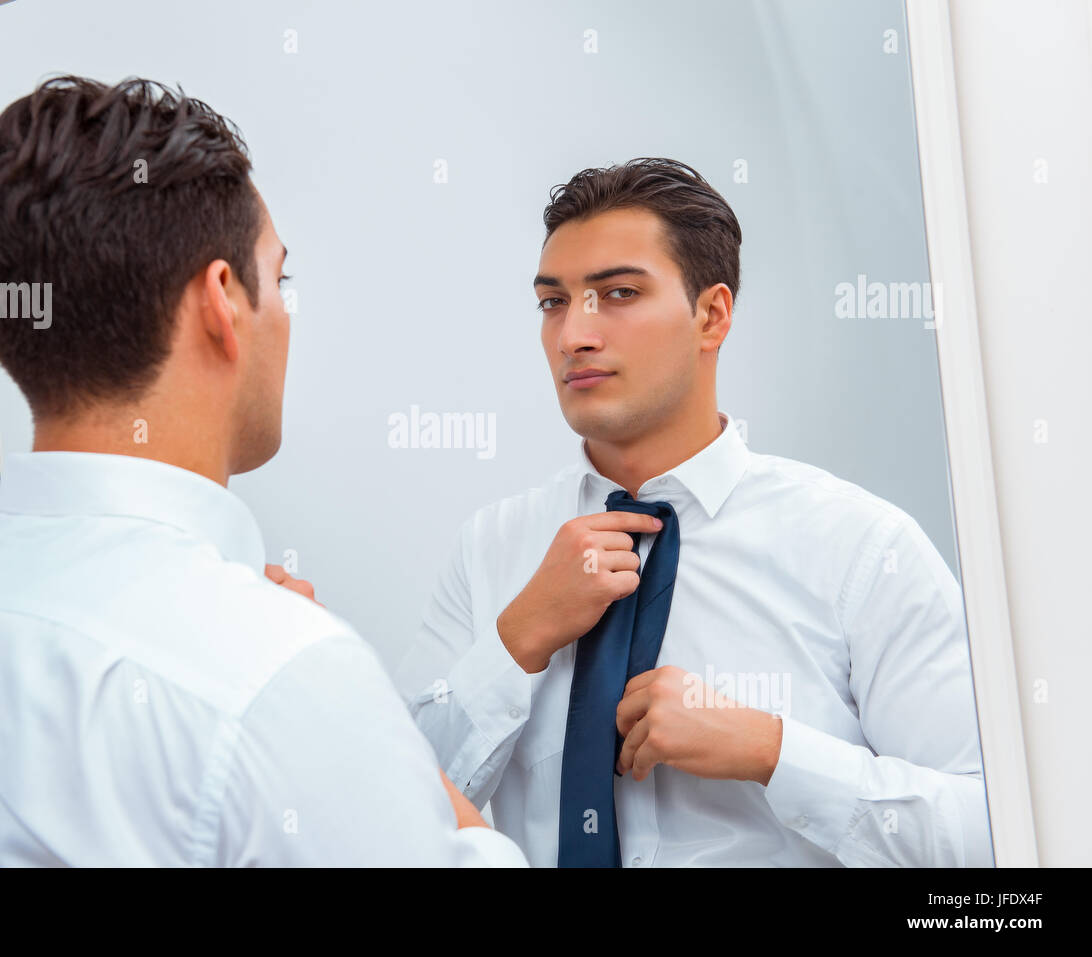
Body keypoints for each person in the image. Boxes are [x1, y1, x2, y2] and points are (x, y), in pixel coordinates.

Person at [0, 76, 525, 867]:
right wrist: (359, 729)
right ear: (221, 300)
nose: (284, 311)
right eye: (278, 278)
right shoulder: (277, 674)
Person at [394, 158, 992, 868]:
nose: (572, 335)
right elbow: (386, 811)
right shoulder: (490, 548)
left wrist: (773, 750)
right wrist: (518, 638)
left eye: (616, 293)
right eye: (554, 301)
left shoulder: (860, 548)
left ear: (711, 315)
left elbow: (993, 832)